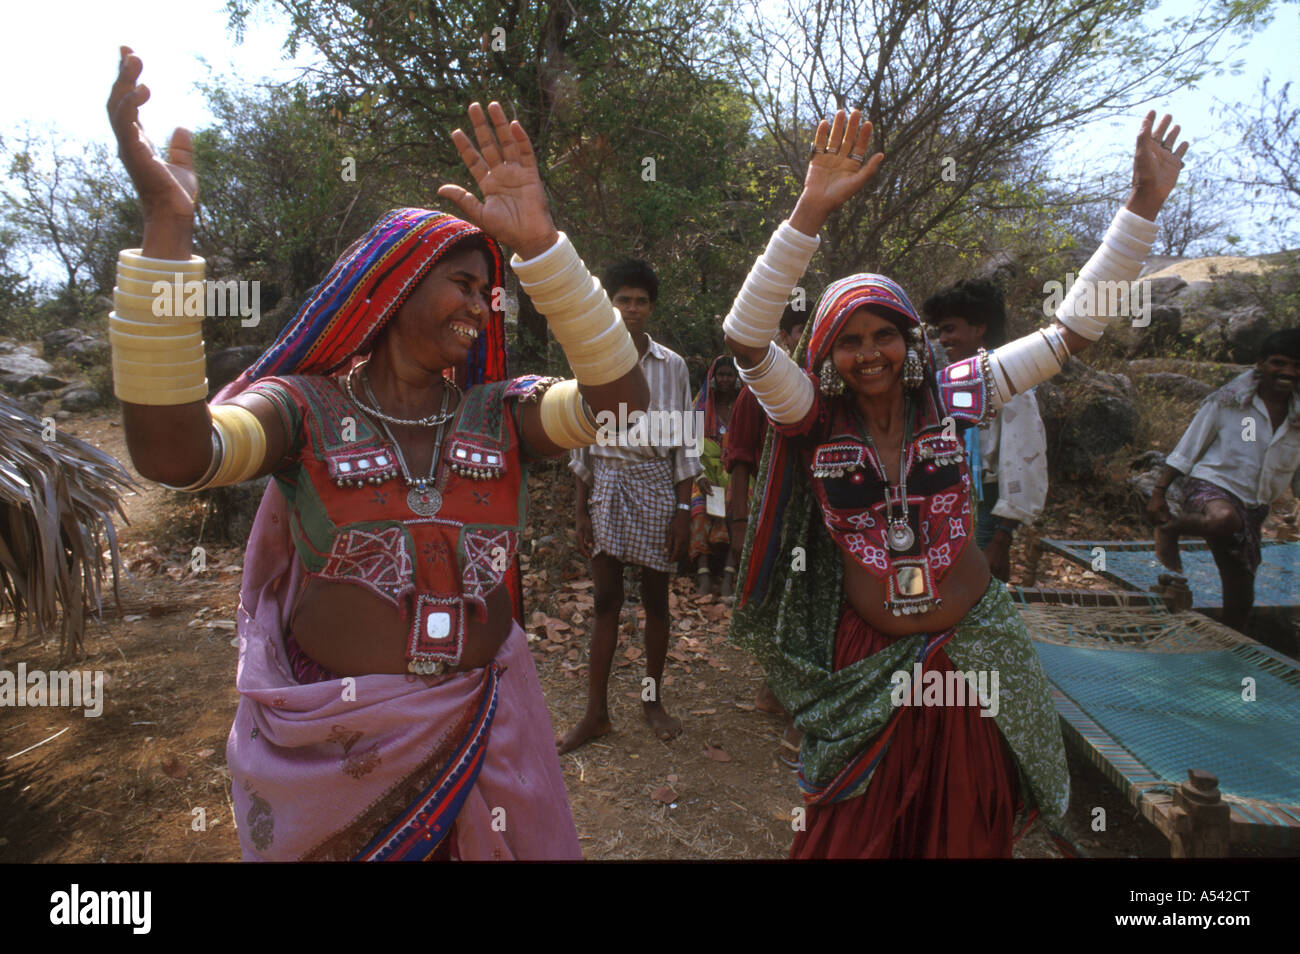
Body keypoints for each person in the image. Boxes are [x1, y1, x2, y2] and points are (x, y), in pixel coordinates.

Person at [107, 47, 650, 860]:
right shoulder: (302, 411)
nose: (478, 303)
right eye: (459, 282)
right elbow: (177, 452)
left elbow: (622, 407)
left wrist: (543, 250)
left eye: (485, 288)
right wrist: (166, 230)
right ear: (390, 289)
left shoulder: (500, 413)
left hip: (481, 736)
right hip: (339, 760)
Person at [726, 107, 1186, 857]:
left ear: (910, 343)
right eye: (849, 341)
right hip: (866, 662)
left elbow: (1069, 335)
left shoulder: (956, 394)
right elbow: (745, 340)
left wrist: (1140, 210)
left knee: (964, 830)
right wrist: (809, 209)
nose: (869, 354)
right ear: (827, 352)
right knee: (852, 837)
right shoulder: (809, 416)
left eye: (885, 336)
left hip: (974, 646)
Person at [562, 260, 702, 753]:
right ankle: (595, 713)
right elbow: (580, 439)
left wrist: (685, 512)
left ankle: (651, 701)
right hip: (606, 486)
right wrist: (580, 509)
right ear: (610, 304)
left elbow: (686, 444)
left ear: (652, 308)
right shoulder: (591, 361)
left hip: (655, 488)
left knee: (657, 604)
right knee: (605, 603)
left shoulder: (674, 366)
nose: (632, 309)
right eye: (624, 299)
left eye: (641, 301)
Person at [1148, 328, 1300, 632]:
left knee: (1240, 592)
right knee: (1224, 518)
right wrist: (1159, 492)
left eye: (1297, 366)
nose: (1288, 372)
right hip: (1211, 487)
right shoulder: (1228, 401)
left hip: (1254, 507)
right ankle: (1171, 528)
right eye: (1279, 363)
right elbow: (1188, 447)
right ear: (1260, 364)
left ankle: (1224, 654)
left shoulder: (1298, 417)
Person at [926, 279, 1048, 582]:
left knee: (978, 591)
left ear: (979, 328)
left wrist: (1001, 538)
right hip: (949, 500)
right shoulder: (949, 380)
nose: (942, 339)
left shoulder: (1007, 381)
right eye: (940, 331)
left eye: (950, 329)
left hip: (985, 506)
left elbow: (1023, 454)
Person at [725, 306, 804, 760]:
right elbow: (738, 460)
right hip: (771, 513)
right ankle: (780, 694)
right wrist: (739, 526)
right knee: (776, 598)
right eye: (795, 334)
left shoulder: (823, 387)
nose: (798, 343)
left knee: (797, 601)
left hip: (810, 519)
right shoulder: (756, 391)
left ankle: (780, 690)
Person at [690, 355, 740, 595]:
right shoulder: (700, 406)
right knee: (699, 504)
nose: (725, 380)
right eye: (720, 375)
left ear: (737, 378)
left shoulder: (745, 404)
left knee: (740, 502)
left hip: (739, 470)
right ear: (712, 378)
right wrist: (699, 474)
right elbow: (689, 445)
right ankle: (704, 574)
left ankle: (729, 575)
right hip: (704, 470)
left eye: (730, 375)